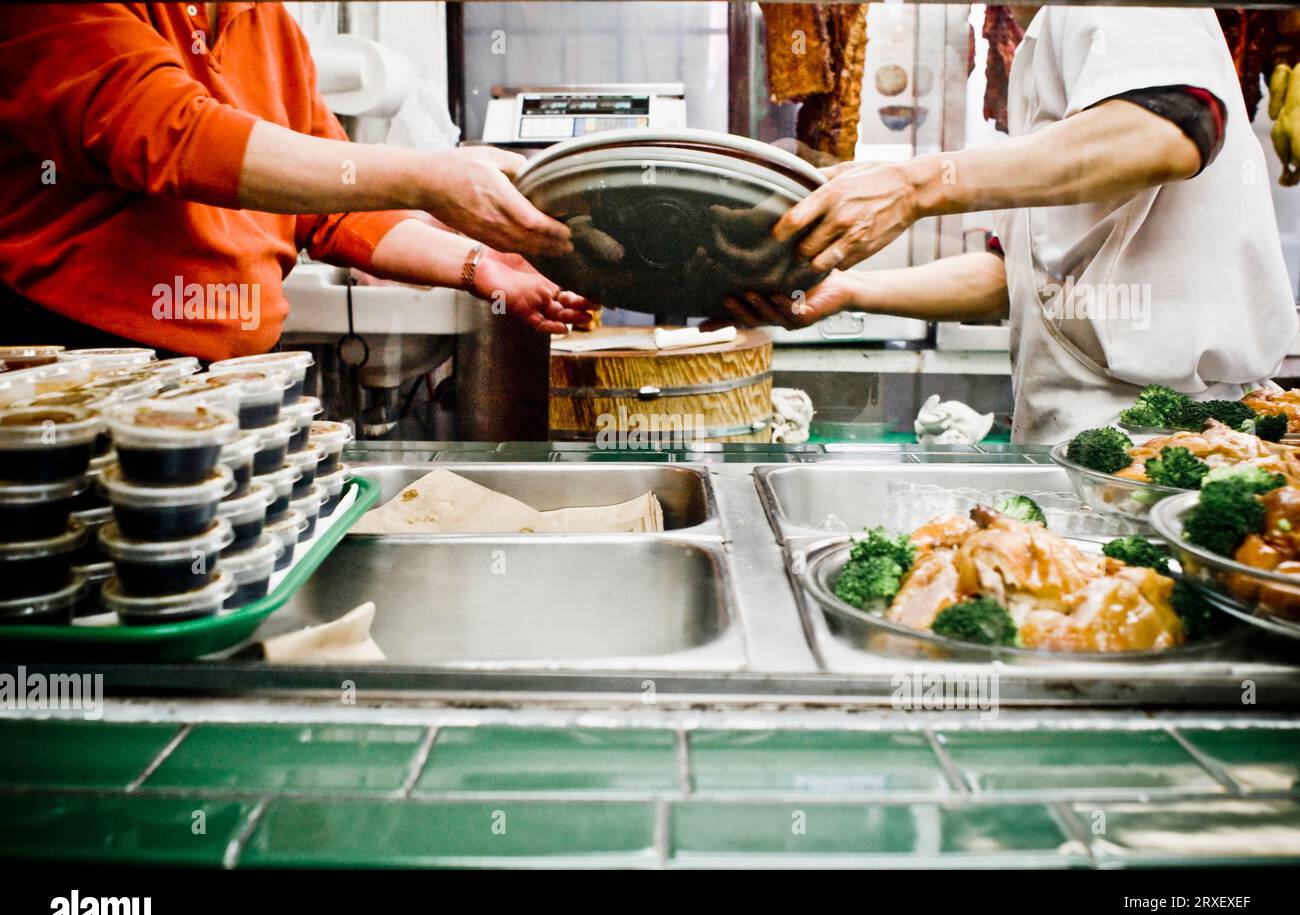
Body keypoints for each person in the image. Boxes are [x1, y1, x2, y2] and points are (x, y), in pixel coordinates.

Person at [731, 4, 1299, 444]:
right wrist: (852, 291)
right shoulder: (1051, 50)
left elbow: (1171, 126)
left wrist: (914, 185)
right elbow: (1017, 279)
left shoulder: (1109, 8)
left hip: (1168, 444)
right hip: (1093, 442)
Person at [0, 3, 593, 360]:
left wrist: (481, 262)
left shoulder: (268, 22)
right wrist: (432, 175)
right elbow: (172, 136)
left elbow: (333, 207)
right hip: (79, 363)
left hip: (233, 375)